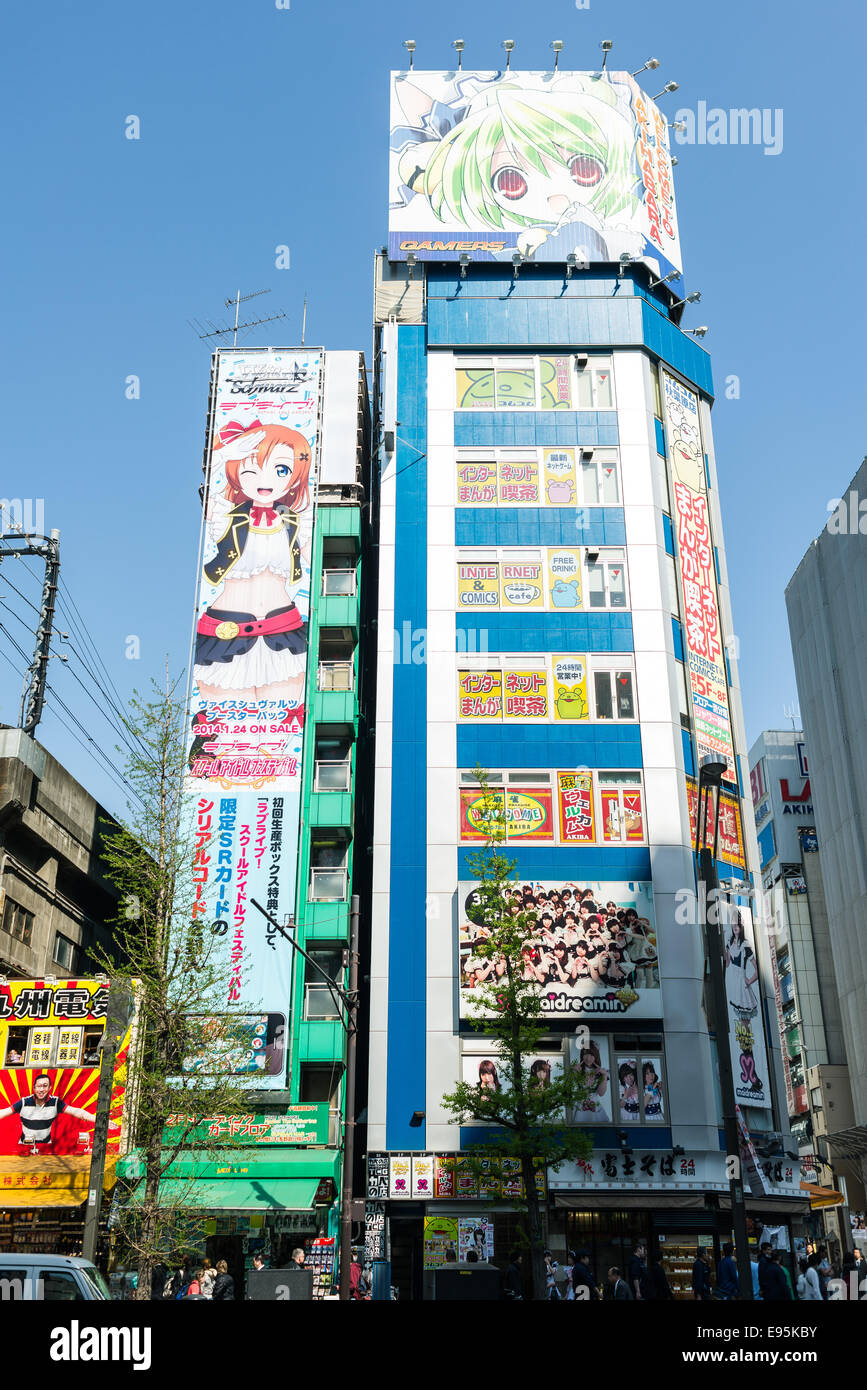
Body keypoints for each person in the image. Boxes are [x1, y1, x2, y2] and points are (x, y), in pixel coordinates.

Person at [194, 422, 314, 709]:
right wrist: (225, 453)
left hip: (284, 628)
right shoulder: (226, 516)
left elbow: (313, 558)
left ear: (295, 477)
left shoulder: (296, 522)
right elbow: (208, 491)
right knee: (227, 735)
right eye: (251, 469)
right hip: (225, 629)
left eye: (281, 470)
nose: (266, 478)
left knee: (276, 737)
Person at [0, 1072, 120, 1149]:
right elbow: (3, 1112)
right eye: (39, 1086)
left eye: (45, 1086)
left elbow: (78, 1113)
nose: (41, 1090)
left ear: (50, 1088)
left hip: (45, 1148)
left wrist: (101, 1121)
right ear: (34, 1088)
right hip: (24, 1147)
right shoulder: (24, 1102)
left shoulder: (56, 1102)